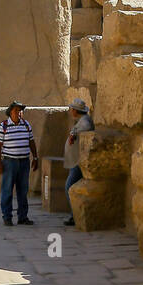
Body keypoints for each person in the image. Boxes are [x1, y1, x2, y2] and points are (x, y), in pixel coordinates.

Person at [0, 100, 38, 227]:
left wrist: (35, 157)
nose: (19, 113)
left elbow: (31, 142)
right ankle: (7, 217)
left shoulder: (26, 125)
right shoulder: (3, 126)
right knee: (7, 190)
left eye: (20, 110)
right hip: (9, 162)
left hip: (24, 162)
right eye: (16, 110)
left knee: (23, 190)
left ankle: (23, 217)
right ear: (10, 112)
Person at [63, 96, 93, 226]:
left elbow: (87, 127)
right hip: (75, 161)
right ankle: (74, 215)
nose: (70, 111)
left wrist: (74, 134)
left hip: (78, 162)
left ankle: (75, 215)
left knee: (69, 187)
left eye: (72, 109)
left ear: (75, 111)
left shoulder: (85, 121)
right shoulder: (80, 120)